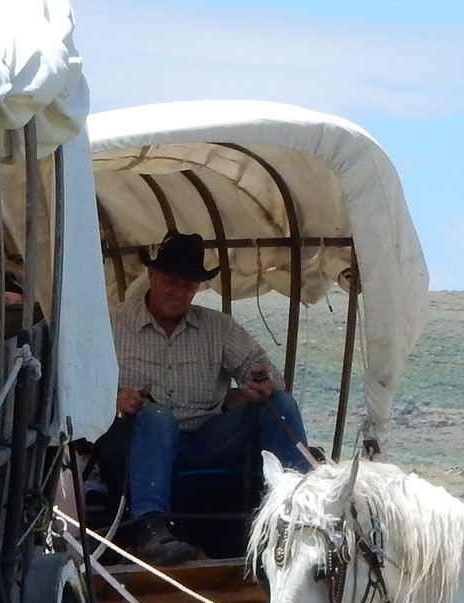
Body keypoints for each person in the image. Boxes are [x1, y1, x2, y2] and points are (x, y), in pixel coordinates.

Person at [102, 231, 318, 567]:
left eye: (189, 284)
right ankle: (150, 527)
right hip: (132, 442)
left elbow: (264, 372)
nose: (180, 291)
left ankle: (306, 508)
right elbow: (75, 382)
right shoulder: (113, 324)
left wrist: (261, 380)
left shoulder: (219, 328)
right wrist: (111, 399)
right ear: (152, 275)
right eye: (172, 280)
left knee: (281, 403)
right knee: (156, 416)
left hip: (201, 440)